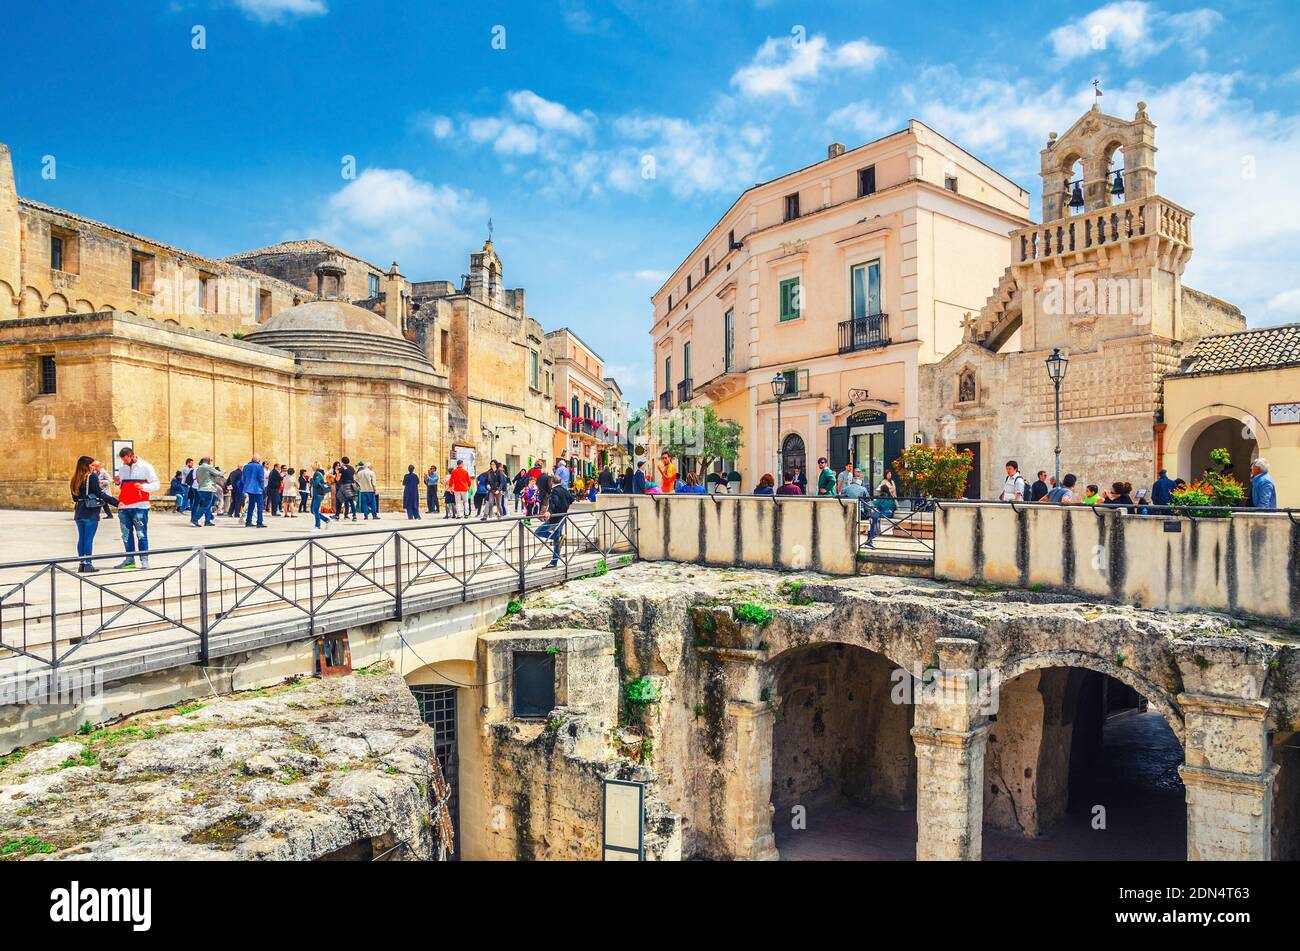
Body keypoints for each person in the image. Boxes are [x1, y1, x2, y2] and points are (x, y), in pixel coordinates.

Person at [113, 446, 159, 569]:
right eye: (123, 461)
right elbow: (123, 486)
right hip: (124, 506)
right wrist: (118, 483)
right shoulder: (122, 469)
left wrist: (143, 487)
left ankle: (144, 560)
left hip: (140, 506)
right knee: (126, 534)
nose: (124, 463)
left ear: (132, 456)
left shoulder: (146, 466)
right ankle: (129, 560)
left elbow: (156, 484)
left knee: (141, 534)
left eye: (126, 460)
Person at [71, 455, 119, 572]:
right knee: (88, 539)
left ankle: (82, 563)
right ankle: (88, 564)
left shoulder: (75, 478)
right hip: (90, 511)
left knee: (81, 538)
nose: (94, 467)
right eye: (92, 465)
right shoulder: (91, 476)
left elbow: (75, 498)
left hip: (79, 511)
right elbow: (99, 493)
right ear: (86, 466)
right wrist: (117, 503)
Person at [535, 478, 573, 567]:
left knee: (538, 532)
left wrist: (549, 512)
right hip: (563, 517)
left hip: (555, 518)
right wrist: (565, 507)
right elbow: (571, 499)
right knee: (557, 541)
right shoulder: (564, 489)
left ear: (552, 482)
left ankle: (558, 538)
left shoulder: (554, 491)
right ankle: (554, 562)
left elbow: (553, 503)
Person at [190, 457, 223, 527]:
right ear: (208, 461)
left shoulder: (198, 468)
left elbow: (197, 479)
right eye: (210, 460)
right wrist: (223, 472)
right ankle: (195, 518)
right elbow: (218, 474)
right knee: (205, 505)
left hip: (201, 488)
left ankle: (207, 521)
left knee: (208, 505)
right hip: (208, 488)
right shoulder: (208, 467)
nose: (211, 462)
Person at [240, 454, 267, 528]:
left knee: (251, 506)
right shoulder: (260, 467)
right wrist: (263, 488)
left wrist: (247, 485)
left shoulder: (246, 466)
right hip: (258, 489)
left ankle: (248, 522)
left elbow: (243, 478)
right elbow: (261, 479)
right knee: (260, 506)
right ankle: (259, 522)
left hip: (249, 489)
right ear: (258, 460)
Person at [309, 464, 331, 531]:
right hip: (315, 494)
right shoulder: (316, 473)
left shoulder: (318, 473)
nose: (311, 467)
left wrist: (311, 479)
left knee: (315, 510)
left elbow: (315, 484)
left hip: (318, 494)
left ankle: (317, 526)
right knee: (313, 511)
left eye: (313, 466)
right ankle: (327, 520)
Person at [336, 457, 358, 521]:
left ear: (342, 462)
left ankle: (337, 516)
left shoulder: (342, 468)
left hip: (344, 486)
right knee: (351, 501)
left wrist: (337, 472)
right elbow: (353, 477)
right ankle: (354, 516)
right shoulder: (352, 468)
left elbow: (338, 478)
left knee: (339, 499)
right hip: (351, 486)